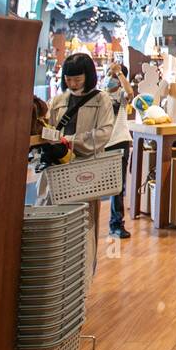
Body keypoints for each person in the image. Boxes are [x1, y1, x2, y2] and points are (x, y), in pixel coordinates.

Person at [43, 53, 117, 238]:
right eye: (68, 79)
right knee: (54, 219)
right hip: (58, 168)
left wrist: (71, 141)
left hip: (86, 169)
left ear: (88, 76)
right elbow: (49, 128)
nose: (72, 84)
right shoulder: (58, 100)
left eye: (77, 79)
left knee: (83, 223)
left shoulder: (101, 99)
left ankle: (84, 257)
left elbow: (104, 133)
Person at [102, 61, 134, 238]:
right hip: (101, 144)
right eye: (109, 73)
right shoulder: (101, 94)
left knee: (117, 186)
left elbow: (130, 93)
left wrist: (119, 73)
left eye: (114, 75)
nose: (111, 77)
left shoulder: (122, 94)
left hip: (120, 141)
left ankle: (116, 224)